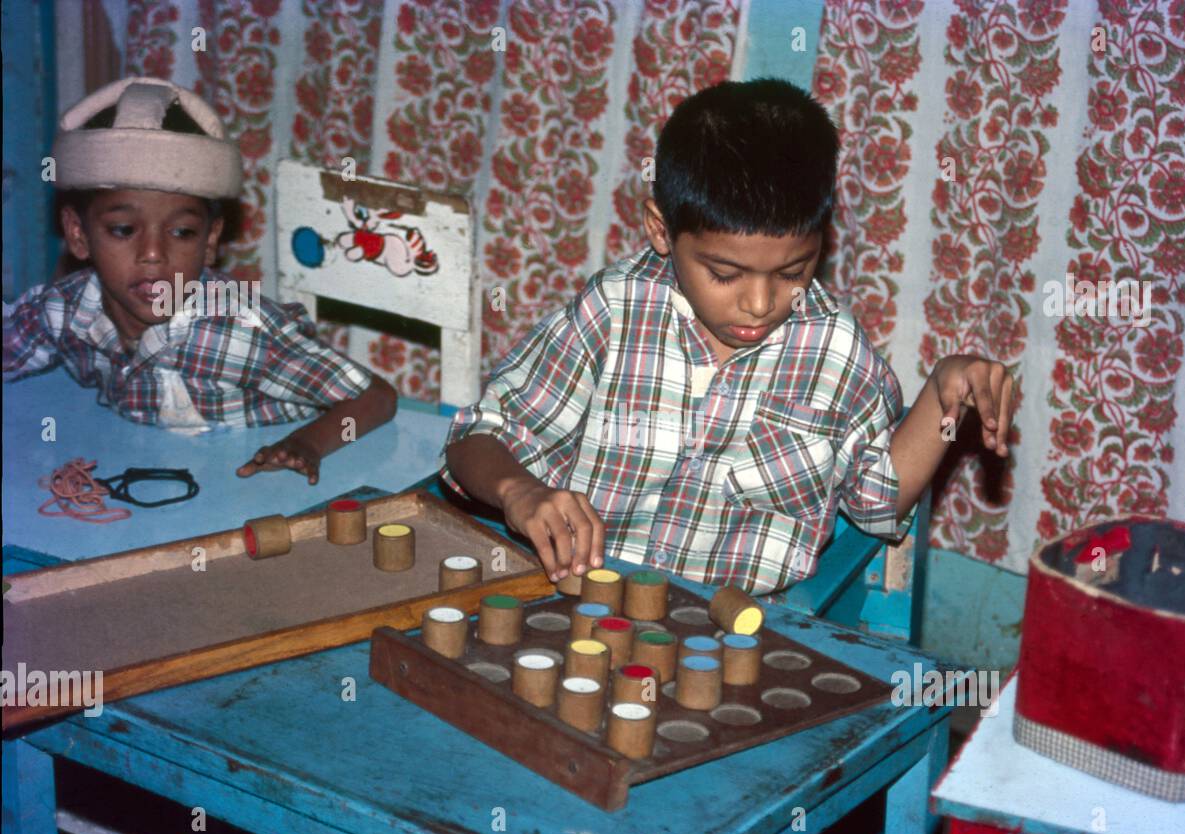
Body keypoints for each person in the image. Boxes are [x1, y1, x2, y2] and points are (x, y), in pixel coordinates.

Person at [442, 78, 1014, 595]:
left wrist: (942, 397)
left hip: (738, 633)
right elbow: (477, 436)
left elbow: (878, 504)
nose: (761, 304)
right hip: (577, 601)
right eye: (724, 273)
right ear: (661, 231)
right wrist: (519, 491)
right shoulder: (614, 312)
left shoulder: (835, 353)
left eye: (792, 272)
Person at [2, 77, 395, 484]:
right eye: (123, 229)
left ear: (209, 241)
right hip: (148, 468)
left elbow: (376, 397)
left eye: (182, 232)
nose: (153, 254)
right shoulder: (61, 309)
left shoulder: (241, 332)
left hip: (261, 479)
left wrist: (307, 444)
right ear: (78, 234)